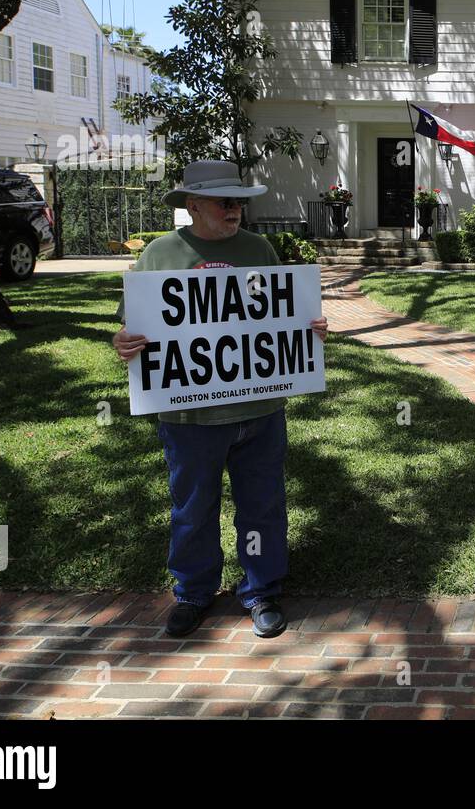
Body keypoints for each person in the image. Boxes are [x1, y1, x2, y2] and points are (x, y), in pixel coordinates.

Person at [111, 160, 328, 639]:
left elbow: (283, 313)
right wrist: (122, 341)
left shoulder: (260, 249)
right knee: (192, 506)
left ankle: (260, 590)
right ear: (193, 206)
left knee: (262, 504)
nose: (234, 209)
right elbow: (130, 324)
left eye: (238, 201)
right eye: (223, 201)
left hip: (260, 410)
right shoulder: (159, 254)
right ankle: (193, 592)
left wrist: (308, 330)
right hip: (188, 415)